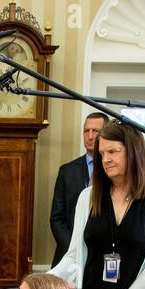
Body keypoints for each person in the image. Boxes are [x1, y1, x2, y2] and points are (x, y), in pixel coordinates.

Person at [49, 121, 145, 289]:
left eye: (113, 152)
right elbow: (73, 255)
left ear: (134, 152)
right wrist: (45, 281)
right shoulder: (87, 197)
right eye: (101, 153)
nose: (105, 159)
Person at [50, 113, 106, 267]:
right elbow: (57, 218)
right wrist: (74, 252)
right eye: (86, 131)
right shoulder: (67, 171)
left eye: (95, 131)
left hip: (102, 257)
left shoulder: (114, 171)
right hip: (68, 257)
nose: (90, 136)